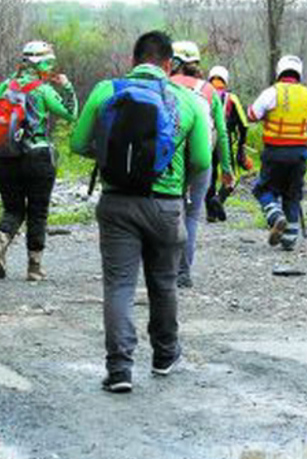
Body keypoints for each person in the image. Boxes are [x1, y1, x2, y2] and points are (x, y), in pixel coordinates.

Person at [70, 31, 210, 394]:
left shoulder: (106, 91)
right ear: (168, 64)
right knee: (163, 283)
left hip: (116, 203)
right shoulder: (186, 100)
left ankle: (119, 370)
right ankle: (164, 356)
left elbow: (78, 143)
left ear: (133, 62)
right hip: (165, 207)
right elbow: (201, 160)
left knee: (118, 285)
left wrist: (113, 158)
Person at [0, 41, 78, 282]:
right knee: (38, 213)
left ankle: (0, 240)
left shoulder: (8, 85)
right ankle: (34, 268)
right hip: (37, 158)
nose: (51, 67)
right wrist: (67, 87)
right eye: (49, 62)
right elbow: (71, 113)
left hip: (6, 156)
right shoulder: (42, 90)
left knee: (13, 209)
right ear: (42, 64)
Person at [168, 41, 232, 289]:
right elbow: (222, 132)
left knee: (172, 210)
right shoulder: (208, 90)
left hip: (171, 158)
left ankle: (168, 268)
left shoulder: (165, 85)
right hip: (201, 158)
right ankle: (184, 272)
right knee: (192, 216)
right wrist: (226, 169)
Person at [247, 55, 307, 251]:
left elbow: (252, 115)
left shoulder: (271, 92)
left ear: (279, 71)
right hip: (299, 154)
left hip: (275, 152)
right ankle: (289, 239)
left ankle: (275, 216)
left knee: (263, 190)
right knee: (293, 194)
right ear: (299, 73)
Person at [205, 65, 251, 223]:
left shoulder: (202, 94)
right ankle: (219, 199)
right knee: (232, 176)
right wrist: (241, 147)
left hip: (206, 141)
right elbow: (244, 124)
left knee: (209, 176)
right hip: (226, 143)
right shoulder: (231, 98)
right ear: (225, 80)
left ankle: (210, 213)